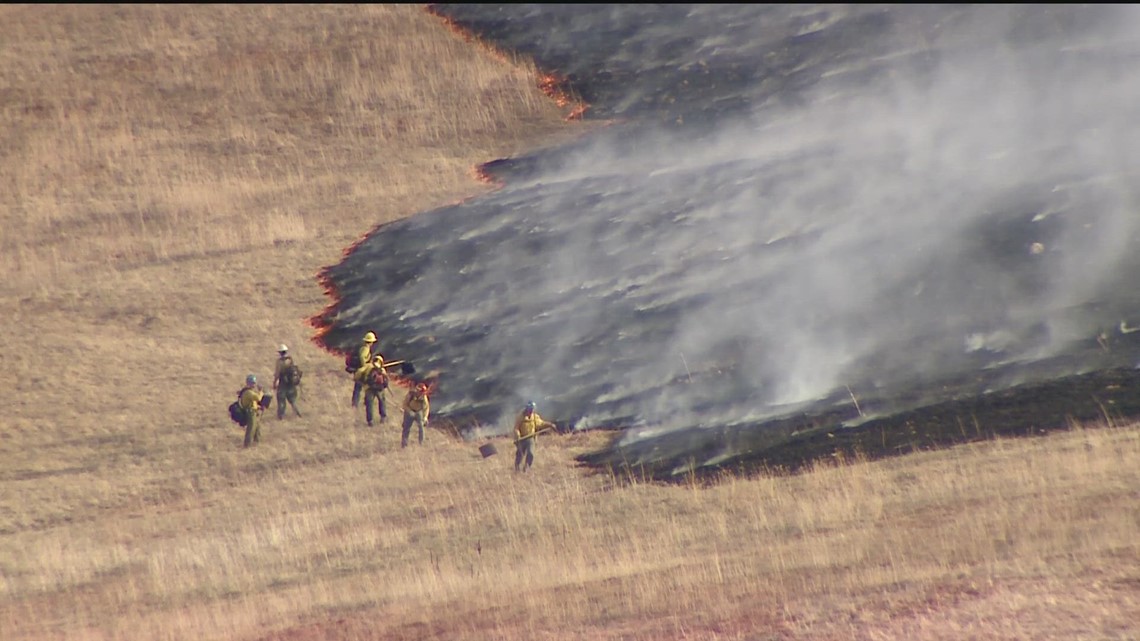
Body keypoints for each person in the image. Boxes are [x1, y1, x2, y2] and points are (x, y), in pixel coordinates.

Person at [513, 401, 555, 472]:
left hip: (531, 438)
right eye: (530, 409)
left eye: (532, 409)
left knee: (531, 453)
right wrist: (518, 436)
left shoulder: (535, 417)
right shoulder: (520, 417)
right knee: (520, 454)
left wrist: (550, 424)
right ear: (527, 408)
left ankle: (527, 467)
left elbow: (541, 424)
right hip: (522, 439)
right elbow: (516, 428)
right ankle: (517, 468)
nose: (531, 411)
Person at [272, 344, 302, 420]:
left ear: (280, 352)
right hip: (291, 384)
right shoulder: (290, 359)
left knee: (281, 400)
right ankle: (298, 414)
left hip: (283, 384)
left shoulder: (279, 362)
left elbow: (277, 374)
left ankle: (280, 416)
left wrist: (274, 383)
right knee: (292, 401)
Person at [359, 354, 389, 427]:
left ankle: (370, 421)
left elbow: (361, 374)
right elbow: (386, 381)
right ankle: (383, 417)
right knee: (382, 402)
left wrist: (362, 382)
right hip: (380, 389)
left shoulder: (369, 367)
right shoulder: (382, 370)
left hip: (369, 388)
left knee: (369, 404)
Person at [351, 331, 378, 408]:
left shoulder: (363, 347)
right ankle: (358, 403)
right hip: (362, 371)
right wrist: (366, 367)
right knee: (364, 387)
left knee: (358, 388)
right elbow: (362, 358)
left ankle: (355, 403)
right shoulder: (366, 349)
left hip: (360, 370)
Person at [239, 374, 267, 448]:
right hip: (250, 413)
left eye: (254, 383)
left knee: (257, 428)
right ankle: (247, 445)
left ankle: (257, 442)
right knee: (251, 428)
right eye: (253, 383)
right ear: (249, 383)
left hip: (253, 411)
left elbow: (253, 403)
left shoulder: (249, 391)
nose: (254, 385)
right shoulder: (248, 392)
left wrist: (259, 407)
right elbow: (258, 398)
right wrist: (261, 392)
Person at [401, 382, 430, 448]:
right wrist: (410, 411)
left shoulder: (424, 398)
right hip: (409, 412)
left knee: (421, 427)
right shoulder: (410, 395)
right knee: (406, 428)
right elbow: (404, 405)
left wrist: (425, 417)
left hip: (418, 412)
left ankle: (421, 444)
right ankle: (404, 444)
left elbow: (426, 408)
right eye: (420, 391)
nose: (422, 393)